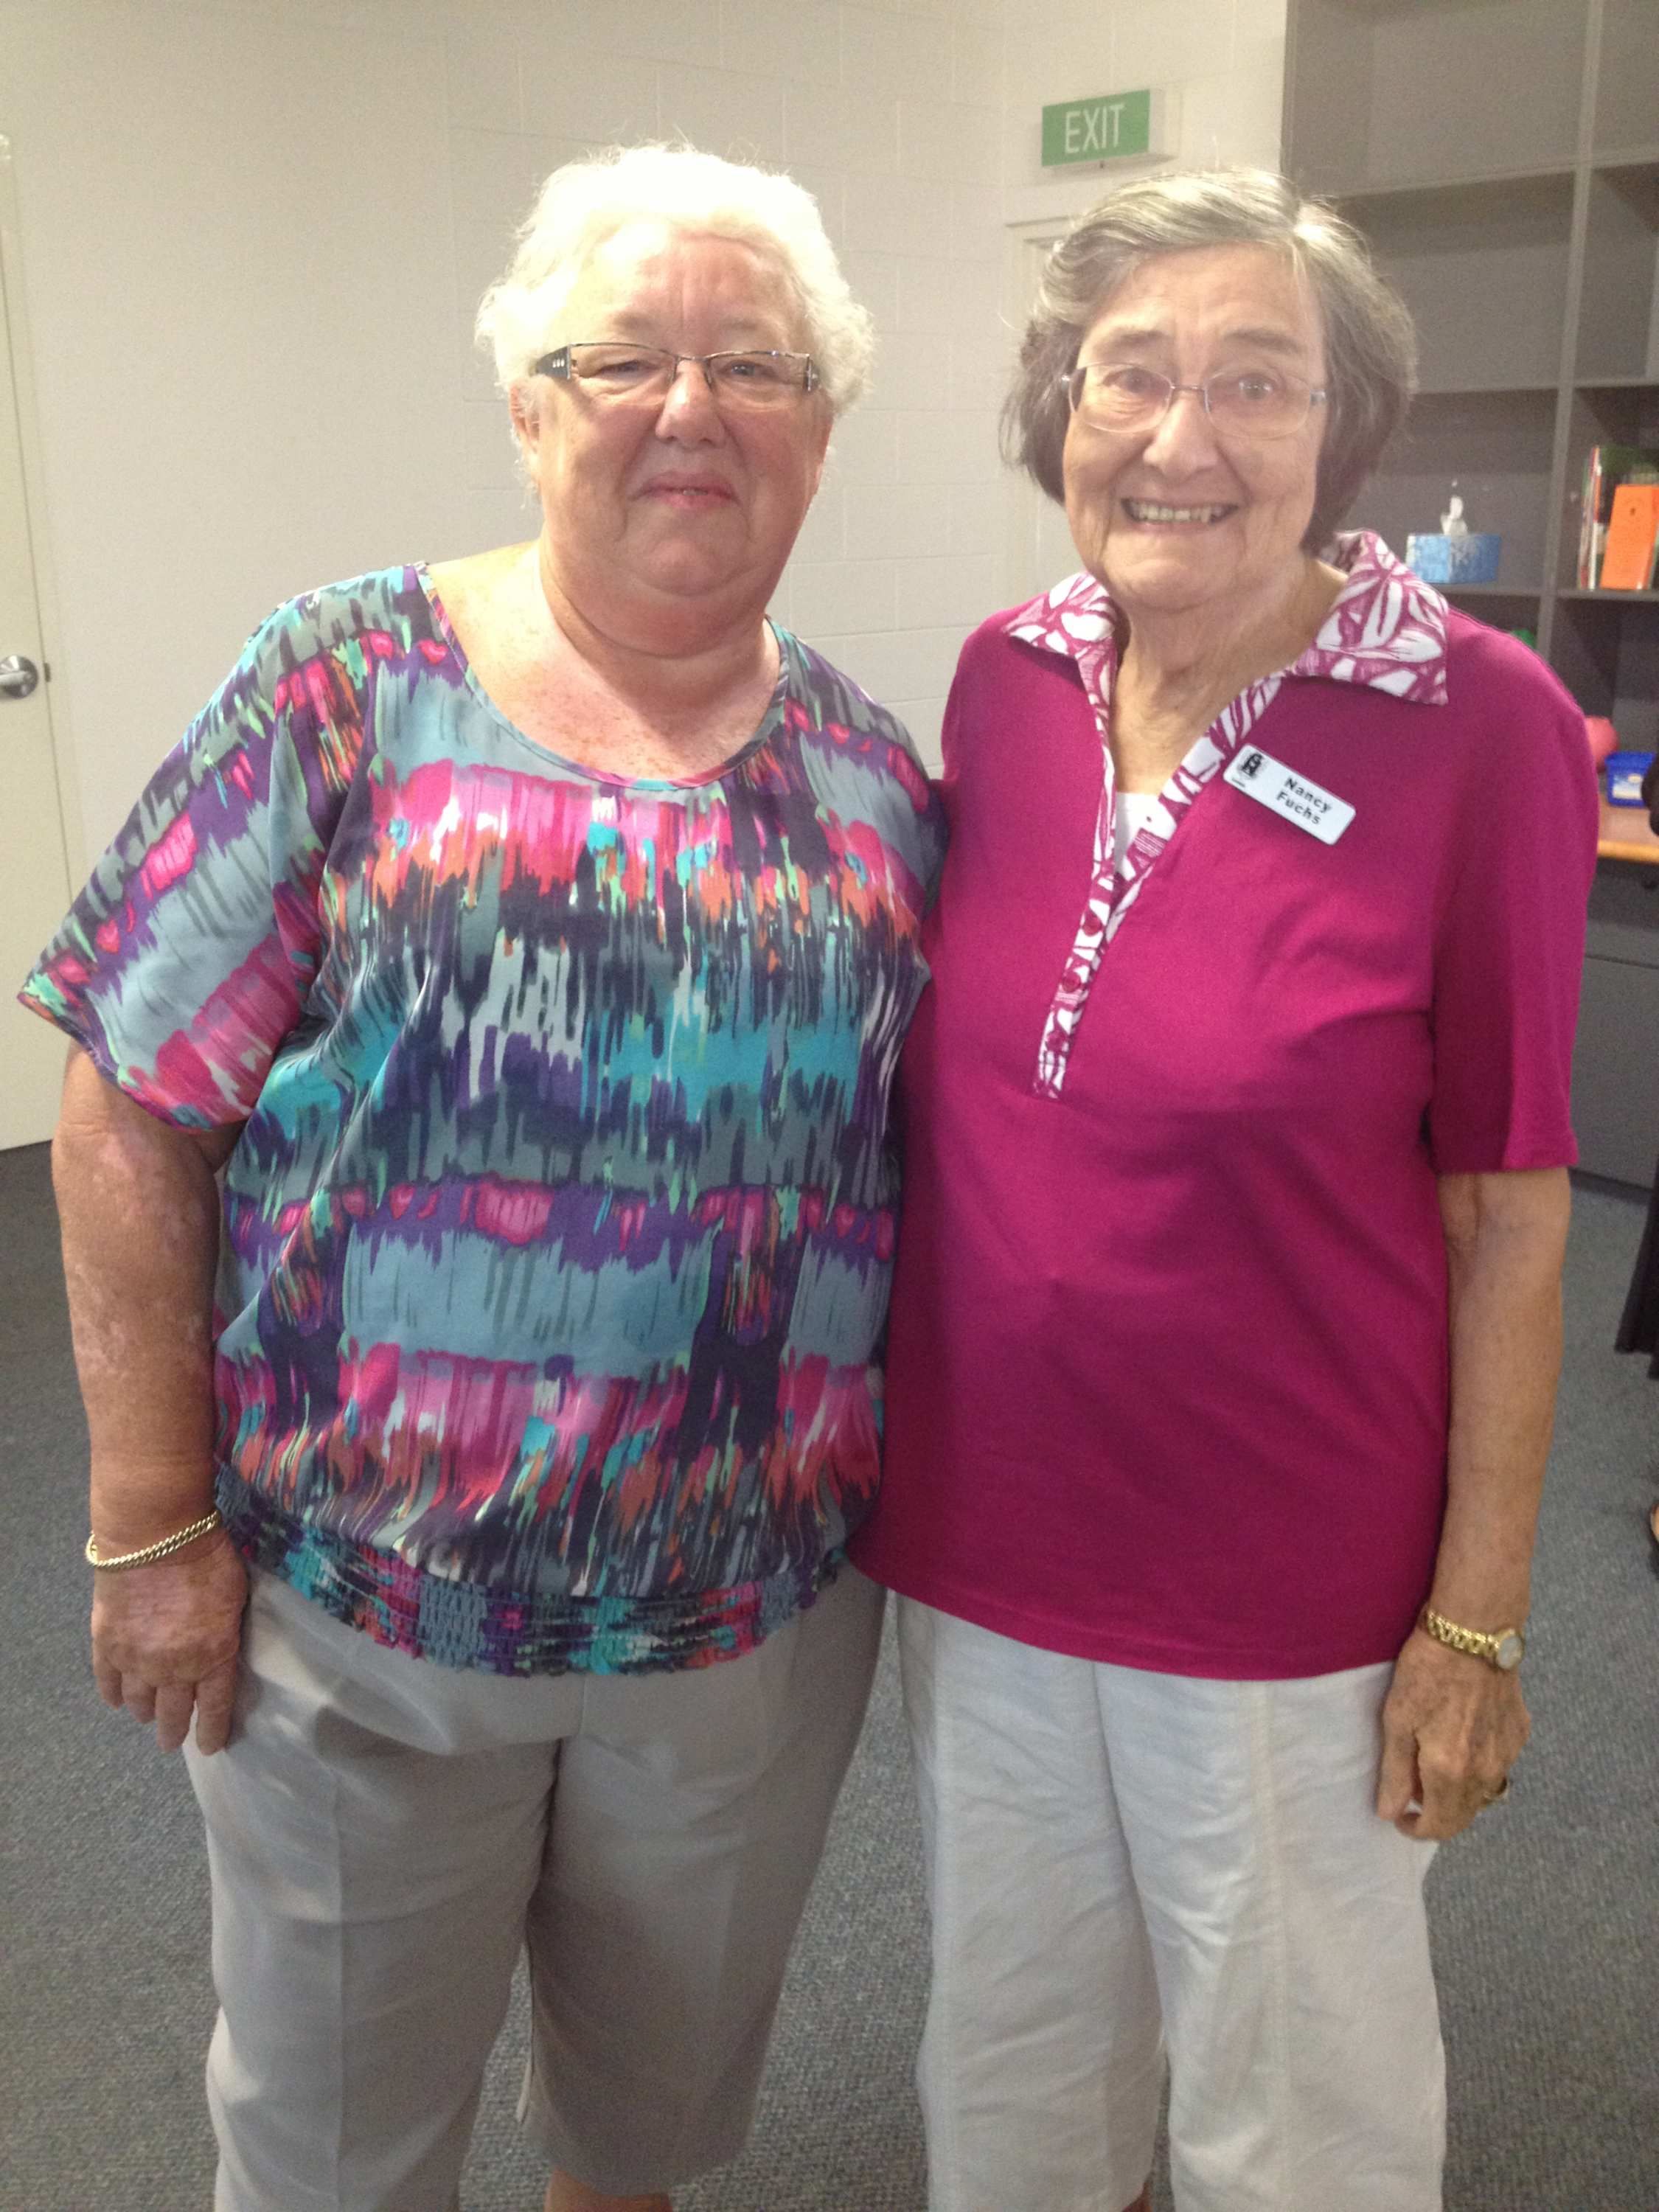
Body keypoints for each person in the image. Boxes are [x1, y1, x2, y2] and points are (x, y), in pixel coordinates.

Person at [23, 143, 944, 2212]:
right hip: (369, 1617)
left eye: (755, 367)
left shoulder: (881, 783)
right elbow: (131, 1095)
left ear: (823, 425)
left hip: (738, 1629)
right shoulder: (346, 680)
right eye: (622, 357)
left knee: (644, 2132)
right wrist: (143, 1521)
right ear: (528, 404)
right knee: (337, 2141)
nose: (688, 409)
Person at [850, 167, 1596, 2212]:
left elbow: (1507, 1211)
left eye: (1252, 384)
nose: (1180, 441)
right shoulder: (1006, 673)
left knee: (1293, 2096)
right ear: (1056, 414)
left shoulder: (1480, 721)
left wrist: (1478, 1617)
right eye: (1129, 379)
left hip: (1288, 1570)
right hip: (991, 1535)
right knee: (1009, 2049)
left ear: (1338, 428)